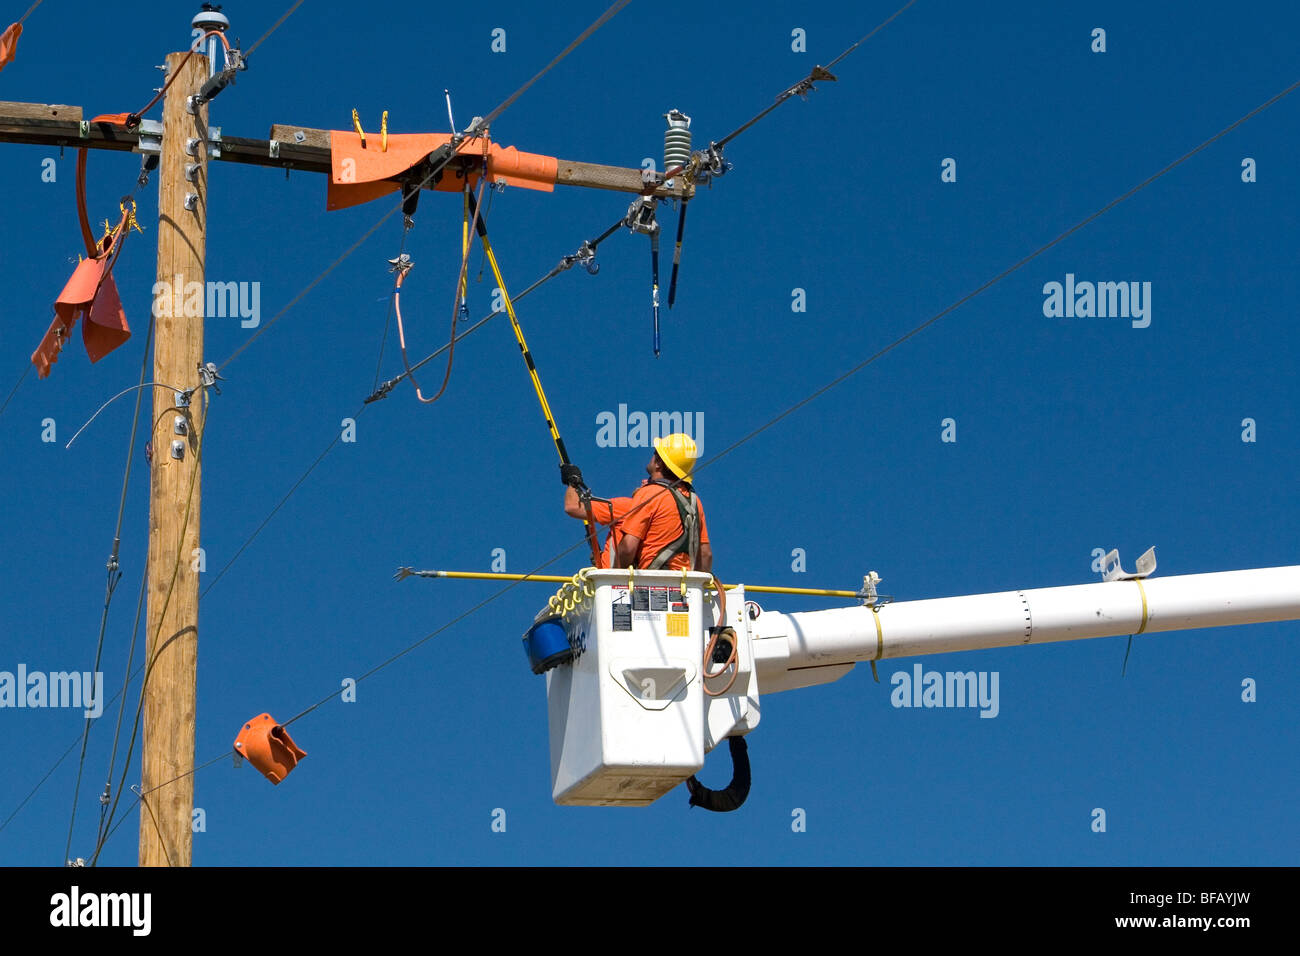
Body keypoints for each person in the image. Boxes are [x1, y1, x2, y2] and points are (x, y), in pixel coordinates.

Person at [560, 433, 711, 572]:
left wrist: (573, 481)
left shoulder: (642, 498)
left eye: (654, 454)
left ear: (659, 463)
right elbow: (706, 555)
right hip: (685, 589)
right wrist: (698, 587)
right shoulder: (694, 502)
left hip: (648, 585)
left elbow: (627, 547)